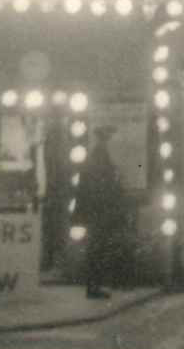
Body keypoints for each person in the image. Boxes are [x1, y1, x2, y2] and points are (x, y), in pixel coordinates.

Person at [76, 126, 131, 299]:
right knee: (97, 248)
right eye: (108, 136)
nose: (110, 139)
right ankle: (94, 287)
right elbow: (103, 185)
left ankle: (95, 285)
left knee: (97, 248)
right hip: (99, 211)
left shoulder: (97, 155)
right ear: (104, 138)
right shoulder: (100, 156)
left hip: (96, 211)